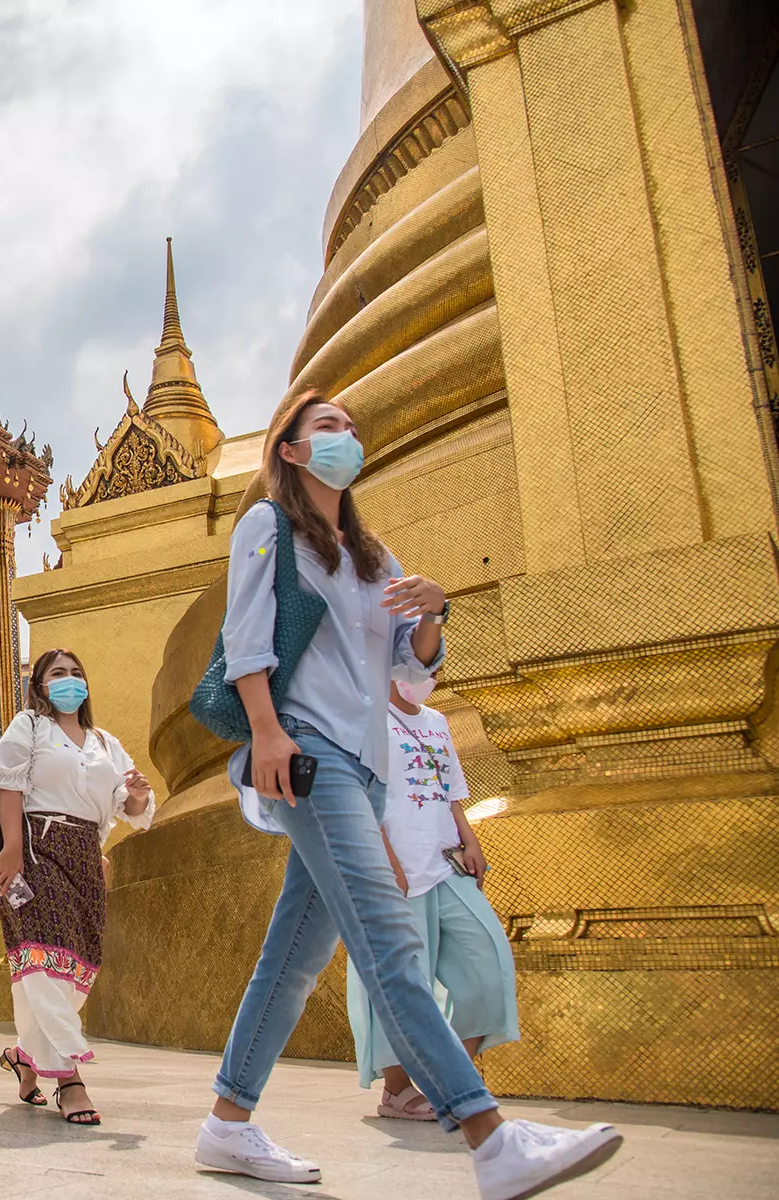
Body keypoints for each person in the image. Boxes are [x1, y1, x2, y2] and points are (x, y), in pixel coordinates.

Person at [194, 392, 620, 1200]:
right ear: (288, 451)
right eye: (327, 428)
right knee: (391, 941)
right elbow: (245, 640)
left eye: (353, 427)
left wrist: (432, 613)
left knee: (294, 956)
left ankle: (226, 1123)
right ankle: (489, 1137)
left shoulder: (372, 554)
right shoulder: (268, 529)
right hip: (306, 752)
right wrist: (269, 730)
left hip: (368, 763)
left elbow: (412, 673)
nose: (345, 439)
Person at [0, 648, 153, 1125]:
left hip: (85, 858)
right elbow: (8, 786)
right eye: (58, 674)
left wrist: (138, 797)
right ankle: (70, 1080)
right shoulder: (29, 727)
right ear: (40, 686)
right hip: (37, 849)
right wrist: (13, 848)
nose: (70, 681)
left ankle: (24, 1056)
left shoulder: (105, 743)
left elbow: (130, 808)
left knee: (76, 965)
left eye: (77, 673)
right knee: (40, 960)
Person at [350, 675, 518, 1120]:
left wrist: (471, 840)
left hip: (448, 864)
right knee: (401, 981)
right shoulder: (363, 719)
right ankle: (397, 1091)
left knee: (489, 966)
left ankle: (452, 1080)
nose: (427, 671)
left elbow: (452, 791)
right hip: (395, 872)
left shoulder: (438, 720)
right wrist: (386, 862)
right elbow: (359, 796)